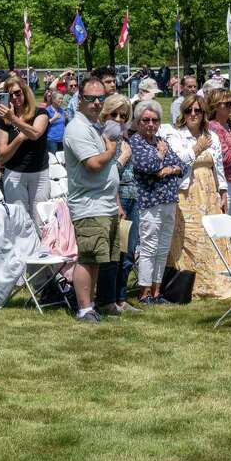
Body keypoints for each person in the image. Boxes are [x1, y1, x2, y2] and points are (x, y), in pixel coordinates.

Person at [166, 94, 231, 300]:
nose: (193, 114)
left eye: (198, 110)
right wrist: (197, 147)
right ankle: (190, 285)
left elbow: (219, 167)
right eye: (189, 110)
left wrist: (223, 190)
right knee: (190, 236)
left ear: (204, 113)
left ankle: (215, 283)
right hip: (186, 192)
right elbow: (179, 160)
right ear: (183, 113)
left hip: (209, 192)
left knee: (212, 237)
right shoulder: (175, 134)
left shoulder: (212, 136)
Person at [63, 76, 121, 323]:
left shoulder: (94, 126)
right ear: (80, 101)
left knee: (97, 259)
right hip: (89, 205)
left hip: (104, 203)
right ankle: (84, 309)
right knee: (87, 259)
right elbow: (94, 164)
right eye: (90, 98)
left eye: (100, 98)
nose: (96, 103)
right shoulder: (77, 128)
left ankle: (92, 304)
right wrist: (111, 150)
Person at [128, 100, 183, 304]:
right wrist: (160, 156)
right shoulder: (136, 142)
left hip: (169, 199)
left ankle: (157, 291)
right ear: (138, 121)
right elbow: (148, 166)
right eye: (146, 120)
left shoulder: (161, 140)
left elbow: (181, 165)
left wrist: (168, 169)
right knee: (149, 246)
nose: (151, 124)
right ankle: (144, 292)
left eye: (155, 120)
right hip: (149, 200)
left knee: (163, 247)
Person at [95, 93, 139, 313]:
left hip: (133, 197)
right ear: (106, 114)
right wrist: (117, 203)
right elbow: (107, 175)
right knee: (113, 254)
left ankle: (121, 298)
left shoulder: (125, 138)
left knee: (128, 253)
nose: (120, 119)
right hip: (116, 198)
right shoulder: (105, 139)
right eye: (115, 114)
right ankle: (107, 300)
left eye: (124, 115)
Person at [0, 75, 51, 229]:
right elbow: (2, 155)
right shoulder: (3, 120)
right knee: (19, 220)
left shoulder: (40, 112)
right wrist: (19, 138)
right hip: (14, 174)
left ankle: (42, 251)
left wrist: (14, 119)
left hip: (39, 173)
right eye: (10, 94)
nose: (15, 98)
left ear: (25, 92)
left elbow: (35, 134)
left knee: (41, 219)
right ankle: (24, 252)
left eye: (18, 93)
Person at [206, 89, 231, 218]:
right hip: (223, 184)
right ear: (215, 106)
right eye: (227, 104)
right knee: (225, 228)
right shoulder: (213, 128)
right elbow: (223, 159)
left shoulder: (228, 125)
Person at [45, 89, 67, 153]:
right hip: (51, 141)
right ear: (53, 99)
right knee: (53, 160)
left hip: (61, 140)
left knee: (61, 160)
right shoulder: (47, 111)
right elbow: (44, 125)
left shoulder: (62, 110)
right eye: (60, 98)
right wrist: (54, 118)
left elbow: (63, 125)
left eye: (62, 99)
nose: (61, 100)